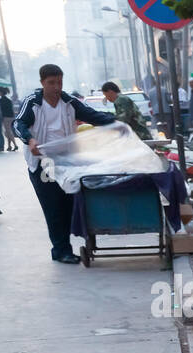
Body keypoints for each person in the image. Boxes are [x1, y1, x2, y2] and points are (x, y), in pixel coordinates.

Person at [12, 64, 117, 263]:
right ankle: (61, 251)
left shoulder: (69, 102)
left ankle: (63, 247)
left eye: (59, 82)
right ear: (42, 83)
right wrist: (29, 139)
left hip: (67, 162)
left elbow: (92, 116)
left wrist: (116, 123)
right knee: (53, 208)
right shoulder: (33, 102)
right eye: (51, 83)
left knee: (69, 204)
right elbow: (17, 124)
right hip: (42, 164)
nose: (56, 87)